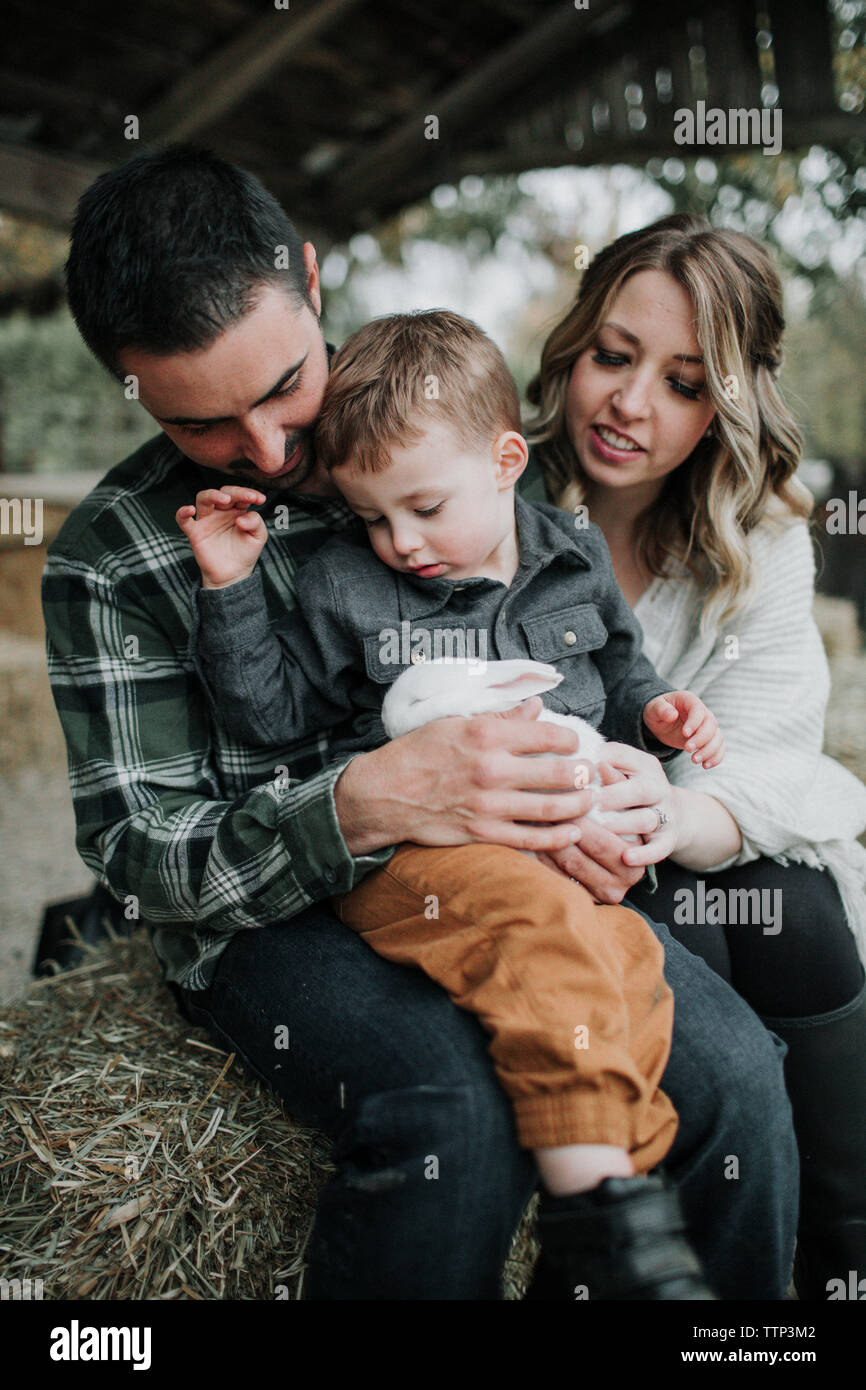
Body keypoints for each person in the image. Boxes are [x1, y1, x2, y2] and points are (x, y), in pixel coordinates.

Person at [45, 144, 798, 1300]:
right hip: (278, 916)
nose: (268, 450)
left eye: (282, 385)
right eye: (204, 424)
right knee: (451, 1112)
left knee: (735, 1075)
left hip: (512, 866)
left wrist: (620, 790)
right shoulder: (113, 556)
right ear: (131, 388)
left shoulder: (451, 436)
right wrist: (366, 799)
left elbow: (596, 639)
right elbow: (144, 859)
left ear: (307, 275)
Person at [176, 308, 726, 1299]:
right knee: (541, 926)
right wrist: (230, 587)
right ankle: (597, 1204)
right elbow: (268, 711)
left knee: (629, 959)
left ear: (506, 458)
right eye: (373, 516)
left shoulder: (570, 557)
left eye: (423, 507)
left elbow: (623, 673)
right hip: (416, 856)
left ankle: (612, 1182)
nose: (400, 541)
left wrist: (662, 716)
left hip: (554, 851)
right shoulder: (347, 583)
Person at [521, 211, 866, 1300]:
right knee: (701, 942)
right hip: (535, 866)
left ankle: (838, 1258)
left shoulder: (754, 538)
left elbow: (771, 760)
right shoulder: (487, 497)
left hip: (667, 841)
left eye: (680, 382)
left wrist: (671, 815)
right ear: (572, 346)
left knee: (796, 906)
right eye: (612, 357)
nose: (627, 404)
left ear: (725, 404)